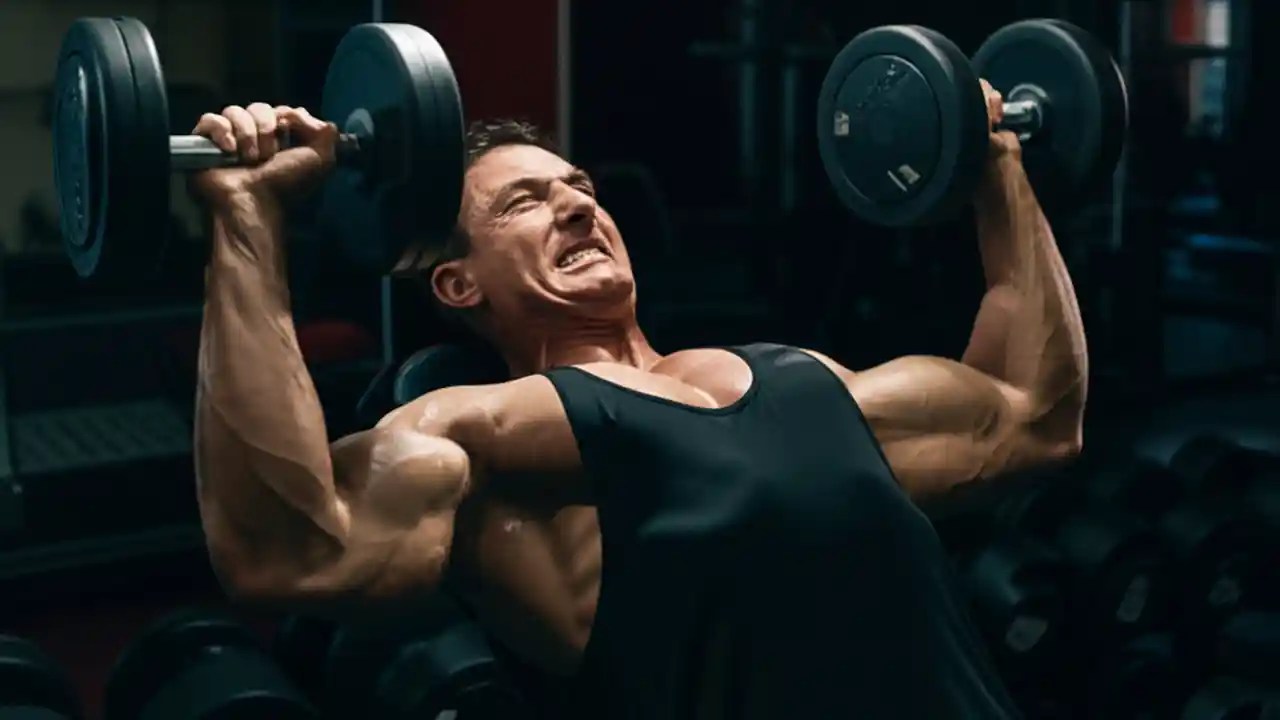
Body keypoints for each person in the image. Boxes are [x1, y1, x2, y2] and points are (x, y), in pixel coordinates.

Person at [189, 76, 1086, 718]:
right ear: (460, 286)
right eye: (524, 206)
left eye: (579, 189)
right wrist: (247, 218)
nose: (578, 209)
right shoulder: (486, 437)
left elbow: (1033, 412)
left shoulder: (803, 376)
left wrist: (997, 163)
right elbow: (283, 547)